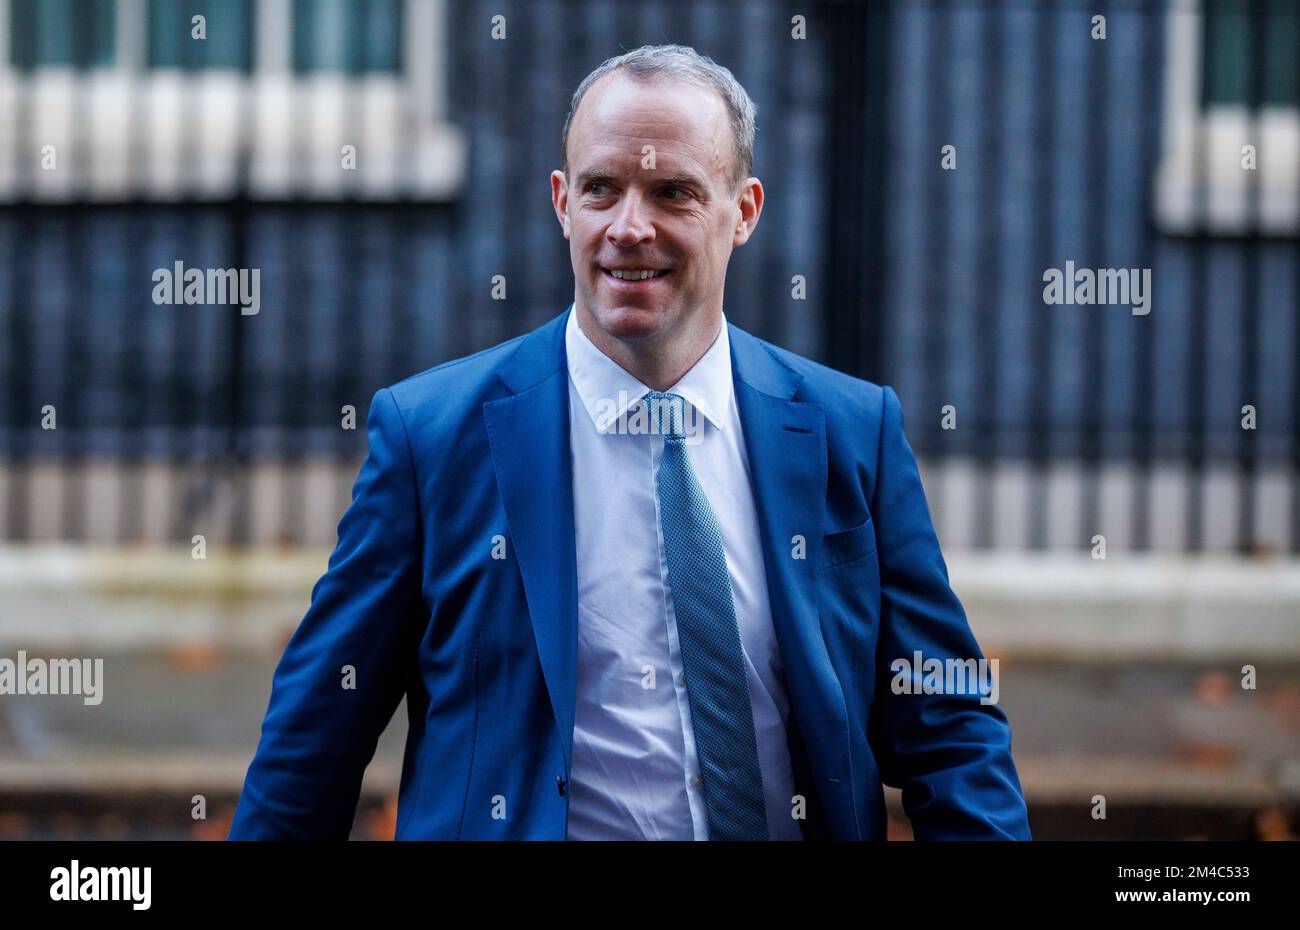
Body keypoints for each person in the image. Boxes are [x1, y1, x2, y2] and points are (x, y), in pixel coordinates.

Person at [228, 44, 1030, 841]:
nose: (629, 227)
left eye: (673, 192)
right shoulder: (431, 438)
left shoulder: (854, 431)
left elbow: (950, 717)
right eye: (601, 190)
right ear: (561, 203)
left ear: (744, 211)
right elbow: (314, 738)